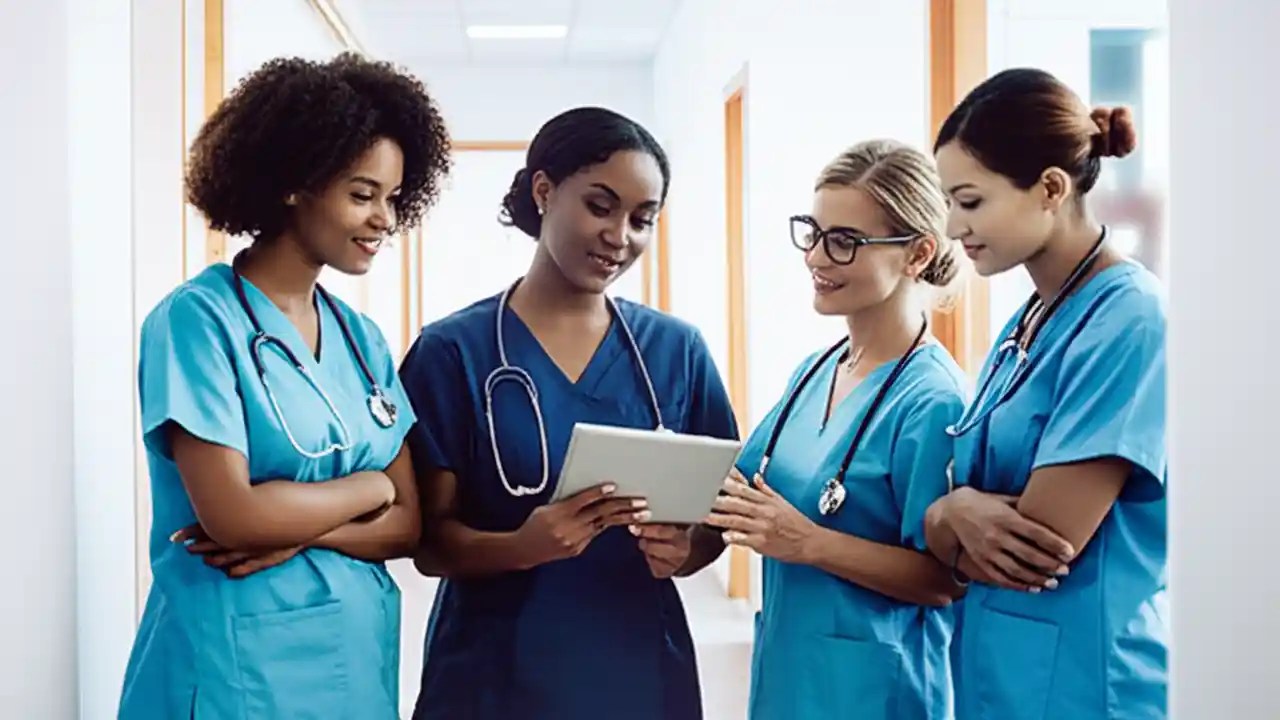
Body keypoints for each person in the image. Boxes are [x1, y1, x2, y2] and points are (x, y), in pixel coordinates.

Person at [117, 53, 452, 718]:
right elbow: (233, 516)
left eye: (391, 197)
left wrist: (298, 528)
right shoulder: (196, 322)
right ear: (294, 184)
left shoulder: (362, 339)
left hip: (352, 667)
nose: (385, 219)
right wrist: (369, 487)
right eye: (362, 195)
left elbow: (409, 526)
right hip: (232, 668)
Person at [399, 106, 738, 720]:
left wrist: (685, 552)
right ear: (544, 190)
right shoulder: (453, 352)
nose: (620, 237)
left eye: (643, 219)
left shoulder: (675, 351)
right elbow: (429, 542)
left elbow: (716, 517)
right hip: (493, 675)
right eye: (600, 206)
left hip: (638, 669)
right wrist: (520, 546)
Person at [923, 67, 1167, 719]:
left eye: (969, 201)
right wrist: (952, 514)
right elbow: (957, 524)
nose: (952, 226)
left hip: (1089, 686)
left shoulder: (1131, 319)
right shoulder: (1030, 319)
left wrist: (949, 515)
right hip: (1000, 679)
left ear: (1051, 188)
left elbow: (1039, 545)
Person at [705, 140, 969, 719]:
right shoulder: (816, 371)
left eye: (844, 241)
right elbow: (744, 491)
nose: (816, 258)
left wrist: (809, 543)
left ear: (918, 253)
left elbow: (945, 580)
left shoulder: (934, 400)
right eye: (814, 232)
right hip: (788, 674)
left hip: (877, 689)